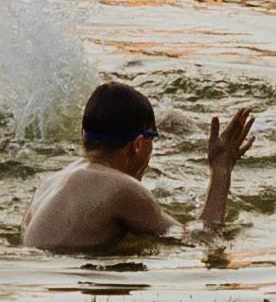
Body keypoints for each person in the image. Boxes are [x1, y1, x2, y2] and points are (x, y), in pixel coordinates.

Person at [24, 78, 253, 257]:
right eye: (152, 139)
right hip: (69, 269)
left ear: (82, 134)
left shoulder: (48, 184)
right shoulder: (122, 188)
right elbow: (203, 240)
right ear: (137, 145)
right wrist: (221, 169)